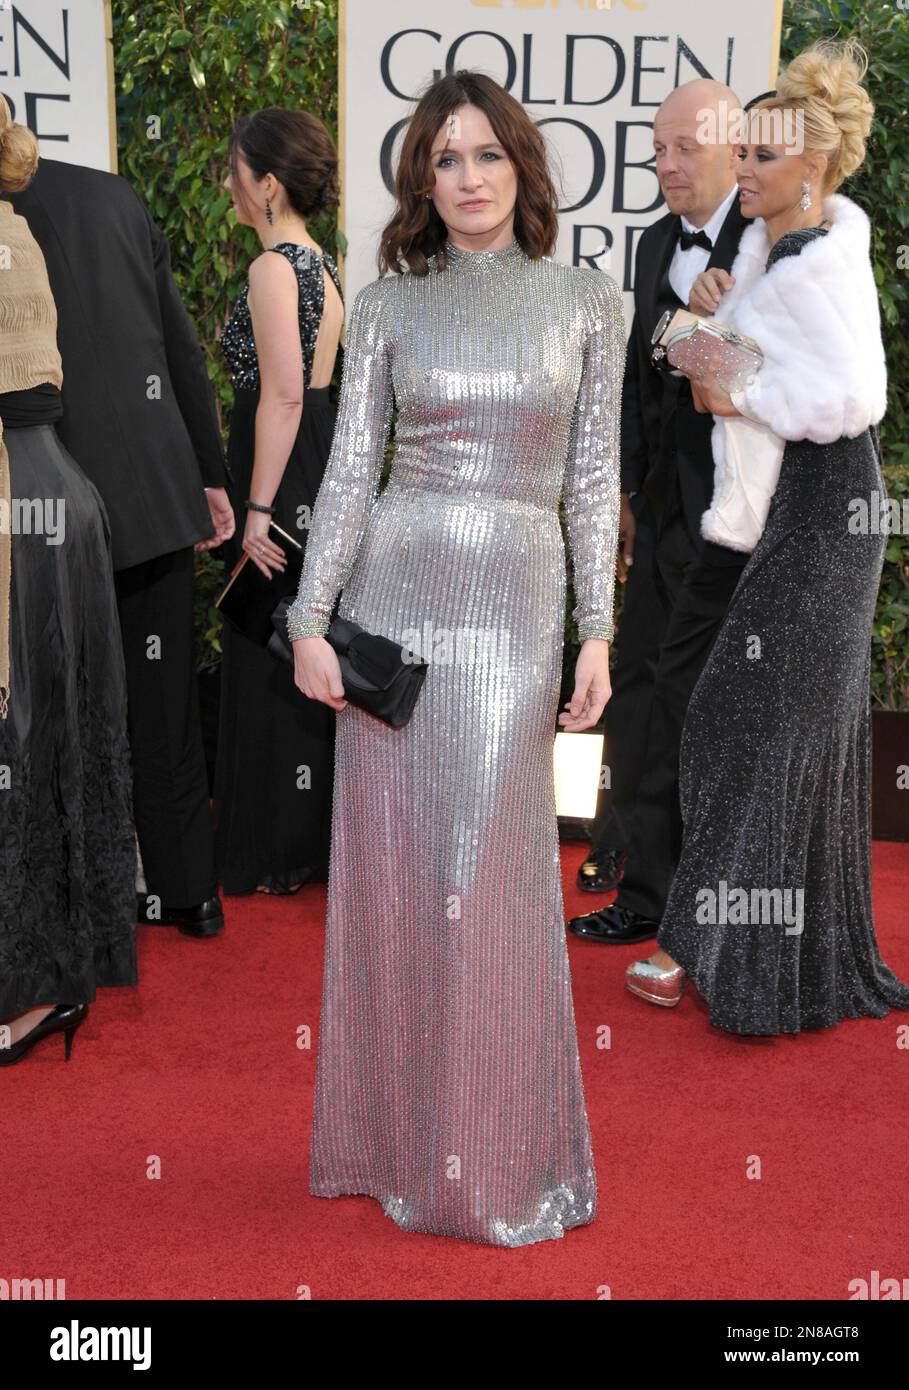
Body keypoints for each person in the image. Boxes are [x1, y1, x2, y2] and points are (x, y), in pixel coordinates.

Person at [286, 71, 624, 1246]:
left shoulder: (588, 300)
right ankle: (388, 1142)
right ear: (420, 181)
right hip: (398, 596)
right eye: (446, 159)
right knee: (398, 873)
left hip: (519, 609)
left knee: (489, 870)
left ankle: (493, 1158)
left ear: (522, 167)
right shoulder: (384, 304)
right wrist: (308, 619)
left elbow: (592, 482)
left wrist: (597, 631)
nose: (470, 178)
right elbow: (346, 475)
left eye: (488, 155)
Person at [626, 40, 909, 1032]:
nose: (740, 171)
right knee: (761, 729)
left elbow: (849, 397)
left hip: (830, 512)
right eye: (738, 154)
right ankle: (772, 952)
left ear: (812, 171)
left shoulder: (818, 262)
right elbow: (699, 360)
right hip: (785, 510)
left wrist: (732, 379)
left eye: (759, 159)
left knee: (751, 725)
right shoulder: (764, 249)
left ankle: (726, 953)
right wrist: (699, 324)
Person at [10, 157, 235, 940]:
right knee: (162, 702)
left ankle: (90, 903)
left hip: (47, 500)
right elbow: (179, 348)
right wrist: (209, 476)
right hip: (153, 494)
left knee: (57, 713)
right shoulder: (111, 193)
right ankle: (190, 893)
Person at [569, 79, 751, 937]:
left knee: (702, 703)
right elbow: (636, 378)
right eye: (656, 150)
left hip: (737, 518)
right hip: (660, 508)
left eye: (682, 148)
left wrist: (680, 330)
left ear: (733, 146)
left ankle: (693, 900)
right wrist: (626, 493)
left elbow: (749, 372)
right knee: (637, 688)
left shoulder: (771, 241)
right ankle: (632, 870)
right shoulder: (649, 244)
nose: (664, 165)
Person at [0, 104, 136, 1065]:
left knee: (24, 736)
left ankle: (33, 986)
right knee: (39, 735)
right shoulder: (16, 227)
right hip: (43, 493)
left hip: (19, 506)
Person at [213, 109, 343, 895]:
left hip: (279, 471)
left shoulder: (272, 269)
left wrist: (255, 511)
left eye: (234, 170)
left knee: (268, 640)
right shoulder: (320, 264)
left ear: (266, 184)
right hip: (313, 468)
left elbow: (284, 398)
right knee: (300, 639)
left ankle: (271, 850)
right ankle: (302, 842)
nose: (226, 184)